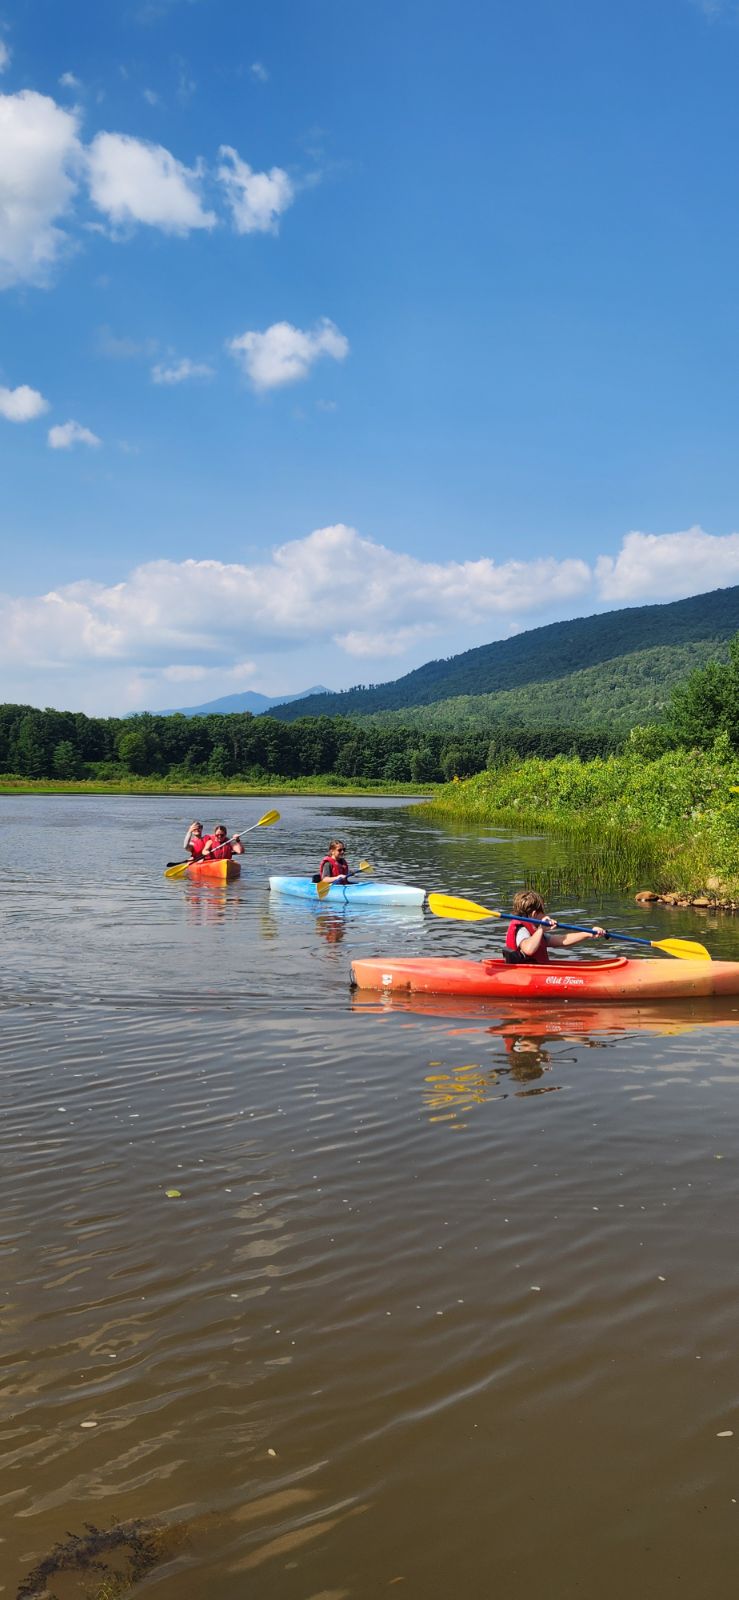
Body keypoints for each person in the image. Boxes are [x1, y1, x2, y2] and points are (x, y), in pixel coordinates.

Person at [503, 889, 606, 964]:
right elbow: (529, 949)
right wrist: (541, 929)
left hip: (535, 971)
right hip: (525, 975)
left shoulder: (535, 932)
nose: (545, 915)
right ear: (534, 914)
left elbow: (562, 940)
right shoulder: (522, 929)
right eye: (543, 913)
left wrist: (588, 933)